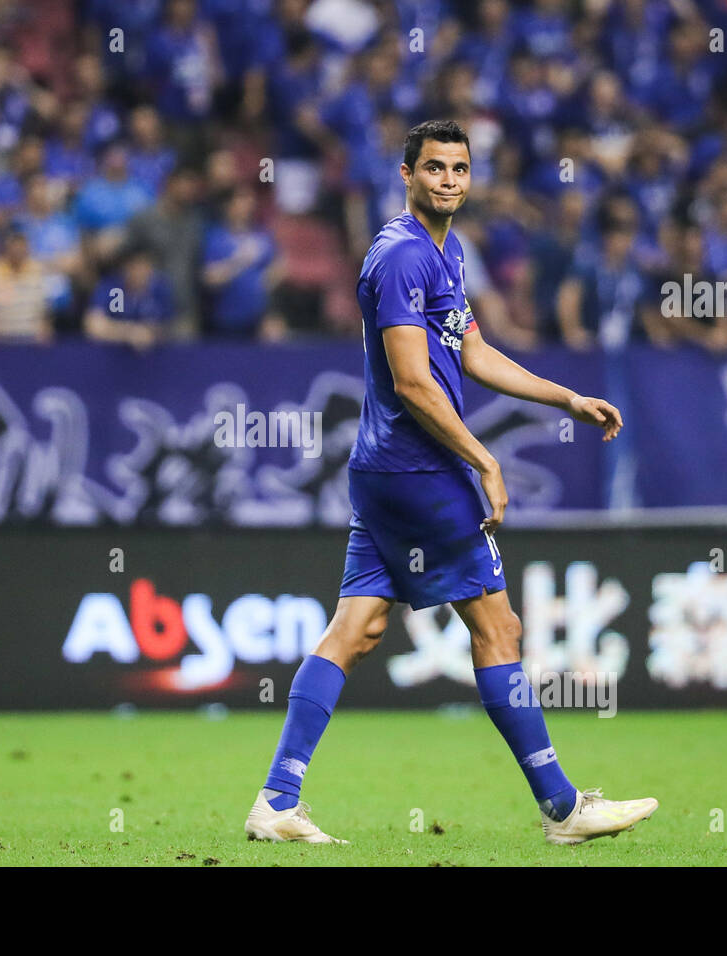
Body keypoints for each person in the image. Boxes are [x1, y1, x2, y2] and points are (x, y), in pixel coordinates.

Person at [244, 120, 658, 846]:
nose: (448, 180)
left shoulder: (446, 250)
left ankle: (277, 799)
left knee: (357, 628)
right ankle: (563, 808)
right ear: (407, 175)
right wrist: (483, 460)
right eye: (434, 167)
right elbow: (412, 382)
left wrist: (564, 397)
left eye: (459, 168)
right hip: (421, 470)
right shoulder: (403, 256)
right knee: (499, 628)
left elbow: (471, 352)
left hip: (384, 471)